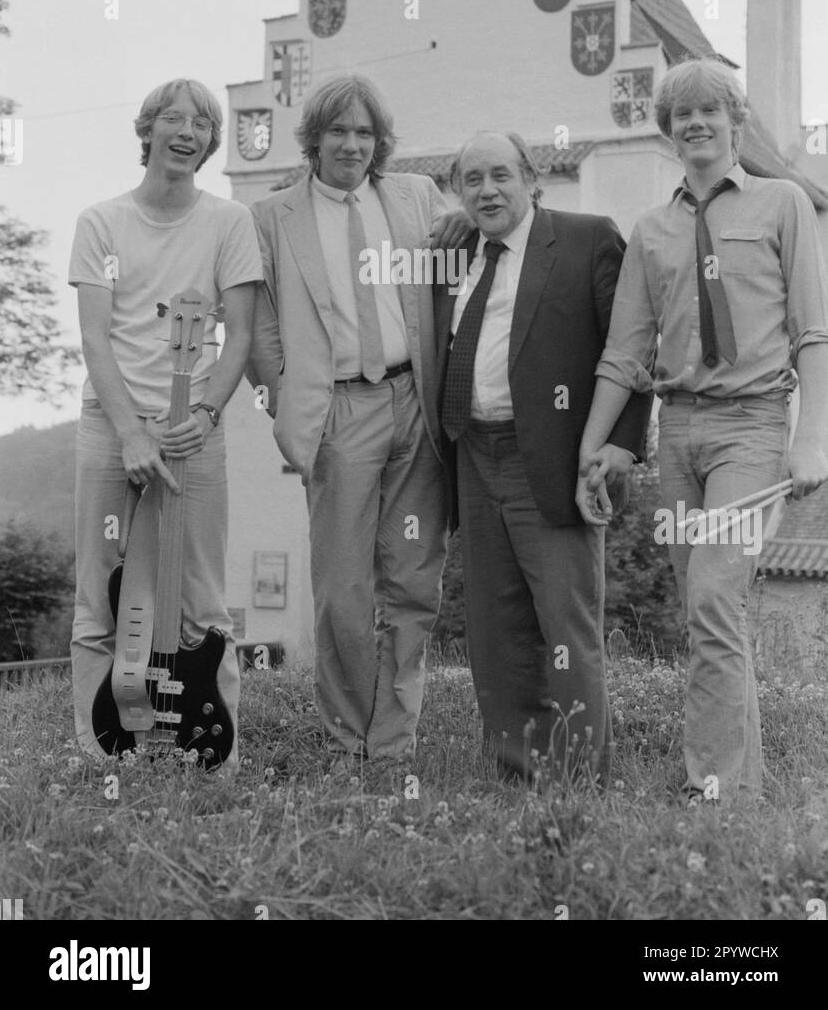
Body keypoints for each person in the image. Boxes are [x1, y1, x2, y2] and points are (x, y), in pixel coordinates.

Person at [577, 57, 828, 804]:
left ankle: (711, 792)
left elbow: (814, 331)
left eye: (707, 112)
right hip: (677, 428)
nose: (694, 124)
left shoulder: (781, 204)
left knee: (714, 599)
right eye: (679, 115)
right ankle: (738, 789)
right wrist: (594, 447)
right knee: (705, 613)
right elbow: (623, 353)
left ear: (733, 123)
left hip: (750, 429)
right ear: (668, 132)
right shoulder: (650, 231)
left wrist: (811, 435)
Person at [248, 75, 461, 762]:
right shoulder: (273, 216)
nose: (351, 144)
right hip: (337, 409)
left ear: (380, 142)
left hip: (413, 404)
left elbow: (473, 255)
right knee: (343, 587)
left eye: (364, 133)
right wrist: (284, 402)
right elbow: (260, 328)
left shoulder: (415, 197)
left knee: (412, 580)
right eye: (338, 131)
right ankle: (347, 740)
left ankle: (393, 738)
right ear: (313, 140)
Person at [434, 130, 651, 782]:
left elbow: (631, 342)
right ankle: (517, 775)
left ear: (531, 178)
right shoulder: (454, 251)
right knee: (496, 635)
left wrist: (620, 446)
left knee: (565, 627)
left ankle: (581, 782)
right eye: (471, 180)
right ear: (458, 192)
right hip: (474, 455)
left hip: (554, 462)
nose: (486, 190)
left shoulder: (585, 238)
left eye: (499, 174)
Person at [69, 78, 262, 764]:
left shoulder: (228, 222)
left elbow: (237, 335)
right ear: (146, 130)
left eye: (202, 124)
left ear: (210, 142)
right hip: (111, 425)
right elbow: (95, 339)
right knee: (102, 593)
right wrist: (130, 433)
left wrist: (206, 413)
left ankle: (214, 758)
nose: (187, 132)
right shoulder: (100, 222)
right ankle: (101, 757)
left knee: (203, 600)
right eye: (172, 119)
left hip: (193, 431)